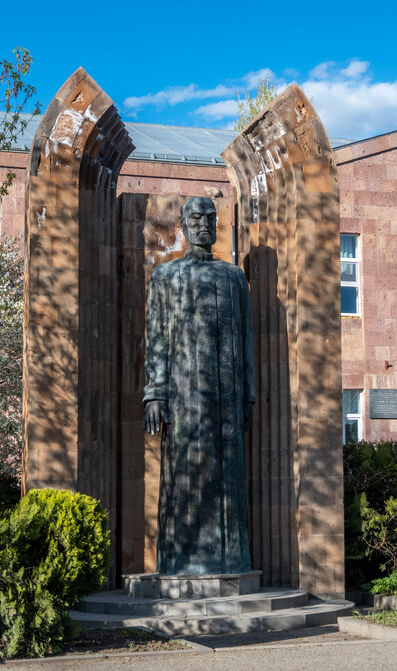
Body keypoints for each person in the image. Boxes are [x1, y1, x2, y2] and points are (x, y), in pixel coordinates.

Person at [143, 196, 255, 575]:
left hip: (227, 400)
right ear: (183, 223)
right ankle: (179, 562)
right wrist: (154, 393)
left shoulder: (234, 278)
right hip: (183, 399)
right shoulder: (165, 277)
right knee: (184, 478)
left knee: (227, 482)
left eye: (211, 217)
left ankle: (230, 561)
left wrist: (248, 395)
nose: (205, 224)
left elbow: (247, 340)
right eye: (196, 217)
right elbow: (156, 337)